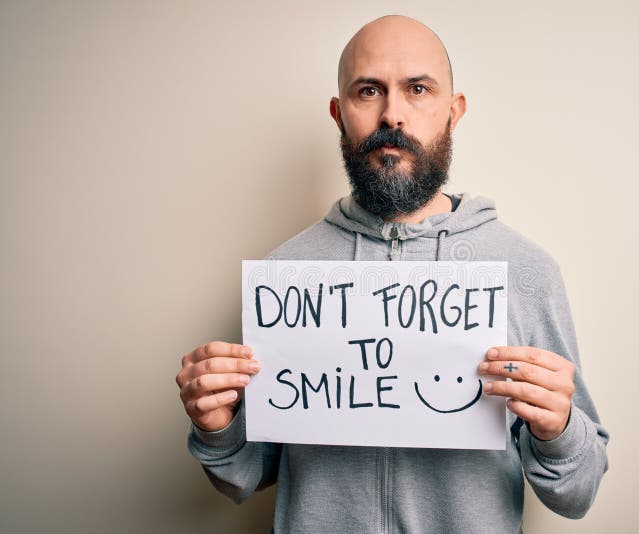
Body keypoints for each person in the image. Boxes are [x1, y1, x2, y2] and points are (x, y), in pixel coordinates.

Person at [176, 14, 610, 533]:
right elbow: (244, 476)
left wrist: (558, 428)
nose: (393, 114)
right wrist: (217, 427)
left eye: (418, 89)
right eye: (368, 90)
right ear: (340, 115)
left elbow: (577, 493)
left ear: (453, 112)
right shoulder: (285, 276)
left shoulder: (525, 271)